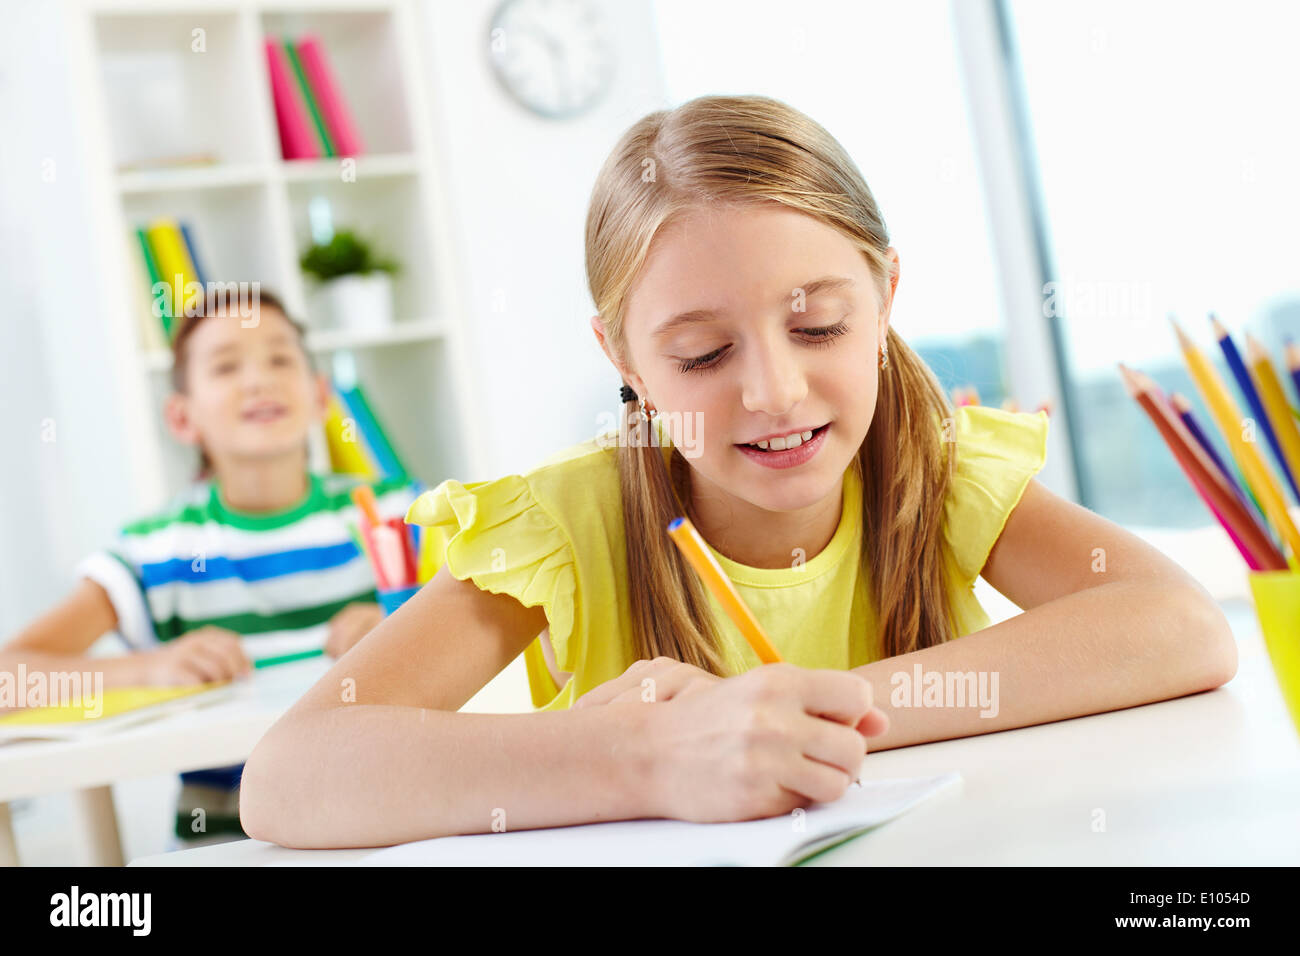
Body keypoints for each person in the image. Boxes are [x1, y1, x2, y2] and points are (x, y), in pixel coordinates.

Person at [238, 95, 1235, 850]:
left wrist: (797, 719)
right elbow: (289, 773)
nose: (772, 389)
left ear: (885, 293)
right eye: (702, 354)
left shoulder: (935, 468)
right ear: (623, 360)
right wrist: (652, 756)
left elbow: (1179, 627)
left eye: (817, 326)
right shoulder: (566, 521)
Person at [2, 289, 418, 846]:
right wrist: (150, 668)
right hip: (230, 842)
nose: (258, 381)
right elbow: (12, 678)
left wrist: (407, 626)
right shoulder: (155, 552)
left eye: (279, 359)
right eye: (226, 367)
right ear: (181, 417)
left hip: (396, 820)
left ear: (320, 397)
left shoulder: (395, 515)